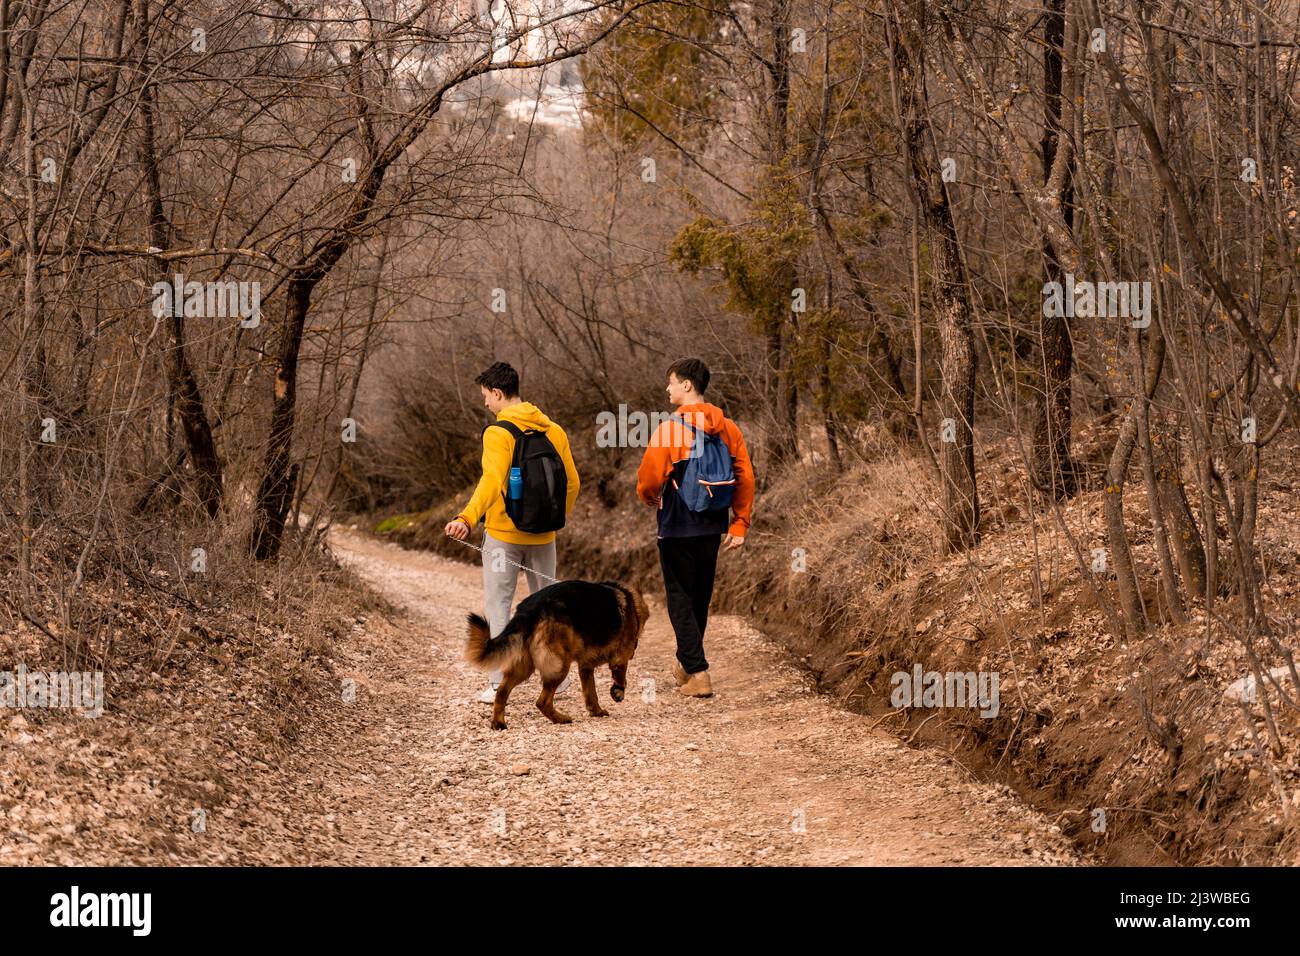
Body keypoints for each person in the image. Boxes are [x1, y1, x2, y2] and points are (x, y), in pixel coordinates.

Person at [444, 362, 580, 702]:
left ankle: (497, 684)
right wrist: (552, 518)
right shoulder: (554, 431)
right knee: (550, 610)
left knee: (499, 607)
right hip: (544, 537)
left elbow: (491, 481)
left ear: (498, 393)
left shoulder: (498, 433)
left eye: (486, 397)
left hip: (504, 536)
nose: (486, 404)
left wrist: (467, 517)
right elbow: (573, 483)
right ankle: (559, 681)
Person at [636, 357, 754, 698]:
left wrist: (648, 497)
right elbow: (745, 476)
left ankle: (698, 672)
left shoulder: (671, 428)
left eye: (671, 382)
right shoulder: (728, 428)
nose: (667, 388)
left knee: (679, 597)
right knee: (699, 597)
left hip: (677, 522)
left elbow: (648, 477)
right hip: (712, 522)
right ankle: (688, 664)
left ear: (687, 385)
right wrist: (740, 522)